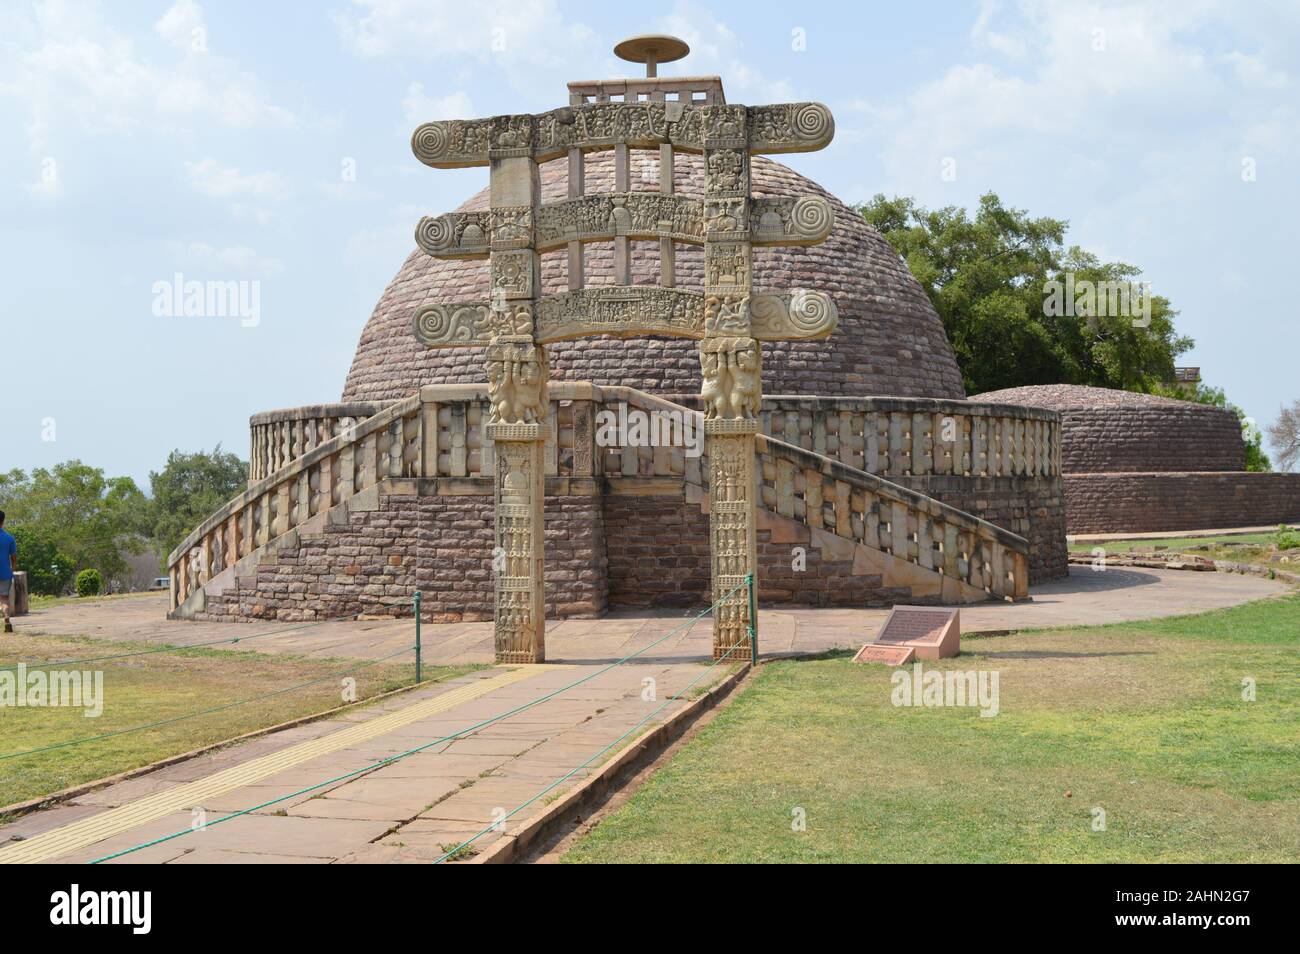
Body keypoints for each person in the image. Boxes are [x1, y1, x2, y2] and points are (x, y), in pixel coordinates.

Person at [0, 510, 15, 633]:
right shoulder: (9, 538)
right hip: (5, 573)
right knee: (4, 598)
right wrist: (12, 569)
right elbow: (13, 557)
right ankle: (6, 618)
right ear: (3, 521)